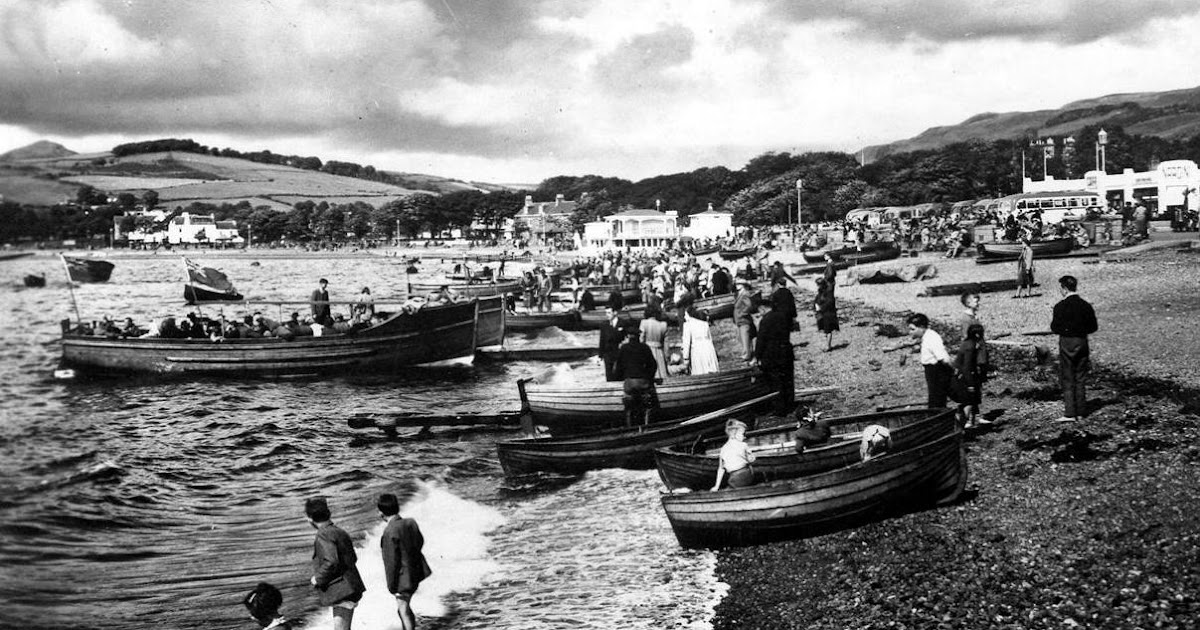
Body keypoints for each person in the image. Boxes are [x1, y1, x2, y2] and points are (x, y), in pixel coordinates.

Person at [305, 497, 365, 630]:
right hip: (352, 587)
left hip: (342, 592)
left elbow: (331, 562)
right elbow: (353, 558)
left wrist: (317, 579)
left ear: (310, 518)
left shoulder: (323, 534)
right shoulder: (339, 531)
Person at [378, 493, 432, 630]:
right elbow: (419, 542)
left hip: (403, 579)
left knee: (403, 610)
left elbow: (391, 562)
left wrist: (391, 586)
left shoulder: (389, 531)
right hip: (416, 573)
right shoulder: (410, 522)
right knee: (404, 608)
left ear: (381, 513)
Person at [1050, 275, 1099, 422]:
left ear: (1064, 289)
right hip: (1082, 341)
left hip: (1066, 342)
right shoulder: (1085, 305)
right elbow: (1093, 327)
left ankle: (1070, 412)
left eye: (1061, 288)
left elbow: (1054, 328)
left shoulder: (1060, 306)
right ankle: (1082, 411)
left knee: (1067, 376)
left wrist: (1066, 331)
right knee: (1080, 376)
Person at [754, 290, 796, 417]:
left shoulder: (766, 320)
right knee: (787, 379)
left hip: (771, 355)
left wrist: (757, 355)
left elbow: (761, 340)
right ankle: (790, 404)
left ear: (763, 308)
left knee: (775, 382)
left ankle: (780, 409)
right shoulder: (783, 316)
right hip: (786, 351)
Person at [614, 324, 660, 427]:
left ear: (628, 336)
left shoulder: (624, 348)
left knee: (629, 408)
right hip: (643, 382)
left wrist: (622, 377)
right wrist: (649, 377)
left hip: (629, 382)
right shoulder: (645, 347)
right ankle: (647, 427)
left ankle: (630, 428)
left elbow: (618, 367)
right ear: (639, 336)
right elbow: (653, 365)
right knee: (648, 406)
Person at [906, 313, 954, 408]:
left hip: (937, 370)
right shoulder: (926, 337)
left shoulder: (932, 338)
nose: (910, 332)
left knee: (937, 396)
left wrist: (953, 369)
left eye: (913, 329)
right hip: (931, 370)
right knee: (934, 395)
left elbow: (943, 358)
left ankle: (940, 416)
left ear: (922, 327)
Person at [954, 323, 989, 428]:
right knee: (968, 401)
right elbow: (967, 366)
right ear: (978, 335)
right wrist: (970, 384)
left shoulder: (966, 343)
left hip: (963, 375)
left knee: (971, 400)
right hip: (966, 376)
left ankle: (970, 421)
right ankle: (962, 425)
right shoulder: (971, 346)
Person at [711, 419, 756, 491]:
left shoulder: (723, 449)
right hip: (745, 475)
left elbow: (721, 469)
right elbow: (752, 460)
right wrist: (751, 456)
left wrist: (716, 486)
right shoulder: (743, 445)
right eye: (743, 434)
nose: (745, 437)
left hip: (737, 476)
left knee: (729, 487)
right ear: (734, 434)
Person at [681, 308, 720, 375]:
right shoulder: (704, 323)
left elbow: (686, 343)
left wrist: (685, 357)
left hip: (697, 349)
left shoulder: (687, 325)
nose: (684, 317)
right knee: (711, 369)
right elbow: (710, 339)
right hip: (708, 347)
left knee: (700, 370)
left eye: (685, 315)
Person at [639, 304, 670, 381]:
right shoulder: (663, 325)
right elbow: (666, 344)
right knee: (661, 372)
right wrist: (667, 356)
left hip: (647, 350)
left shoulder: (644, 323)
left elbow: (641, 339)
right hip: (659, 352)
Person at [733, 279, 759, 363]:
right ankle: (747, 353)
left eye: (739, 284)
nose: (737, 285)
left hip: (744, 320)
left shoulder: (744, 294)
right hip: (740, 320)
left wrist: (742, 313)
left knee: (745, 338)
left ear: (743, 285)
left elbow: (749, 305)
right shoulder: (740, 294)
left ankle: (746, 355)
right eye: (737, 284)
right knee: (742, 337)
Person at [598, 305, 625, 382]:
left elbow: (626, 337)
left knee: (619, 374)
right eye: (606, 313)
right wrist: (600, 355)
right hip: (608, 353)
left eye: (609, 313)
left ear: (615, 313)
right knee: (609, 375)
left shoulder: (623, 323)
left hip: (619, 352)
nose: (607, 315)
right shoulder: (604, 325)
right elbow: (602, 340)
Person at [814, 276, 839, 351]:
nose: (817, 286)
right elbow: (817, 299)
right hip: (823, 313)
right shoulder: (821, 291)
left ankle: (828, 346)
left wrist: (820, 307)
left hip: (828, 313)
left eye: (818, 284)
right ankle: (827, 344)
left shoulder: (828, 292)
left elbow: (830, 302)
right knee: (825, 329)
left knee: (828, 330)